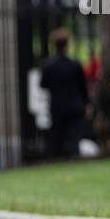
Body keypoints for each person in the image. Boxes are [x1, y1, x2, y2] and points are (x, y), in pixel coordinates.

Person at [39, 27, 89, 158]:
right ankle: (73, 158)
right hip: (74, 106)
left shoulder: (47, 65)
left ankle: (58, 160)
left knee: (57, 138)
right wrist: (86, 104)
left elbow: (43, 84)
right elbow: (83, 87)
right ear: (67, 45)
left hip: (57, 106)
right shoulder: (75, 65)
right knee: (74, 139)